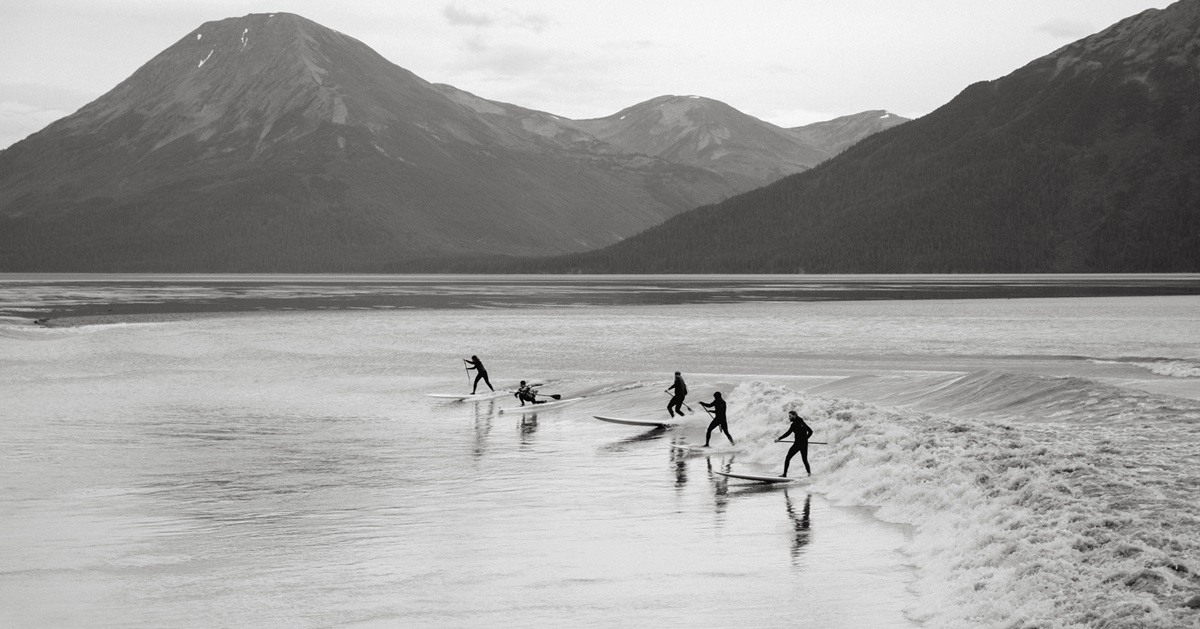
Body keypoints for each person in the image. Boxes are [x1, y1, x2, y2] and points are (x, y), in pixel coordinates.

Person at [776, 410, 814, 477]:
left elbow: (788, 433)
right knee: (804, 459)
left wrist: (779, 438)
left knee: (788, 458)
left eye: (790, 416)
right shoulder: (802, 422)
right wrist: (805, 439)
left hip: (798, 444)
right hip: (804, 444)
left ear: (794, 415)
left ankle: (784, 474)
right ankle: (809, 474)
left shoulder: (794, 425)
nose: (789, 418)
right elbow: (810, 431)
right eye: (789, 416)